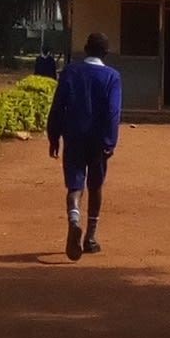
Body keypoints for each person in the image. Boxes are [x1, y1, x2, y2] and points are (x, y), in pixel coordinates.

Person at [47, 32, 122, 261]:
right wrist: (110, 141)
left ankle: (73, 219)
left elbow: (58, 105)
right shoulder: (112, 77)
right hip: (99, 140)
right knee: (96, 185)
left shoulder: (71, 71)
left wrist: (54, 136)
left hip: (74, 136)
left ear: (86, 49)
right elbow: (113, 111)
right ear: (106, 53)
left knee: (75, 185)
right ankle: (90, 237)